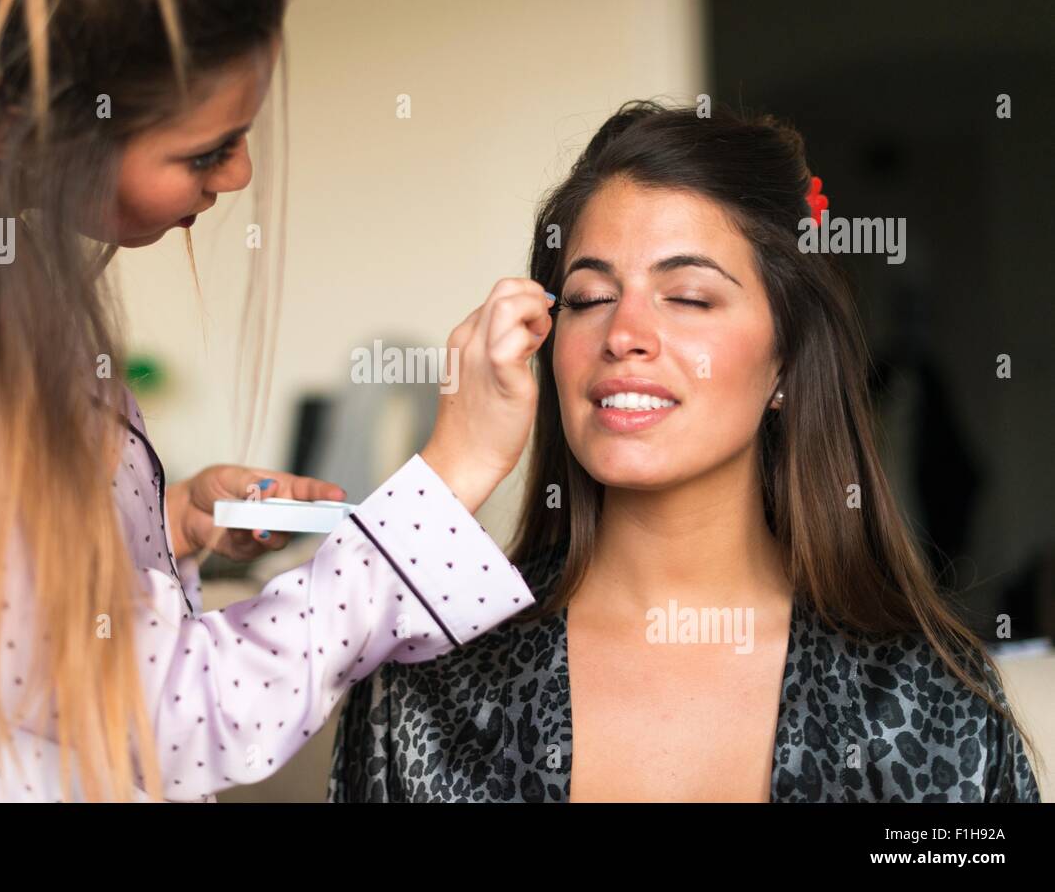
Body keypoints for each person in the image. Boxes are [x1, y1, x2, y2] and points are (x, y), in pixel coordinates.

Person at [0, 0, 553, 801]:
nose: (239, 174)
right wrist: (451, 474)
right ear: (23, 129)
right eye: (206, 150)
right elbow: (162, 712)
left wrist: (171, 526)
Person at [329, 101, 1043, 803]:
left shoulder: (926, 703)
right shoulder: (422, 686)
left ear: (788, 363)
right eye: (587, 297)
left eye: (690, 296)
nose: (623, 333)